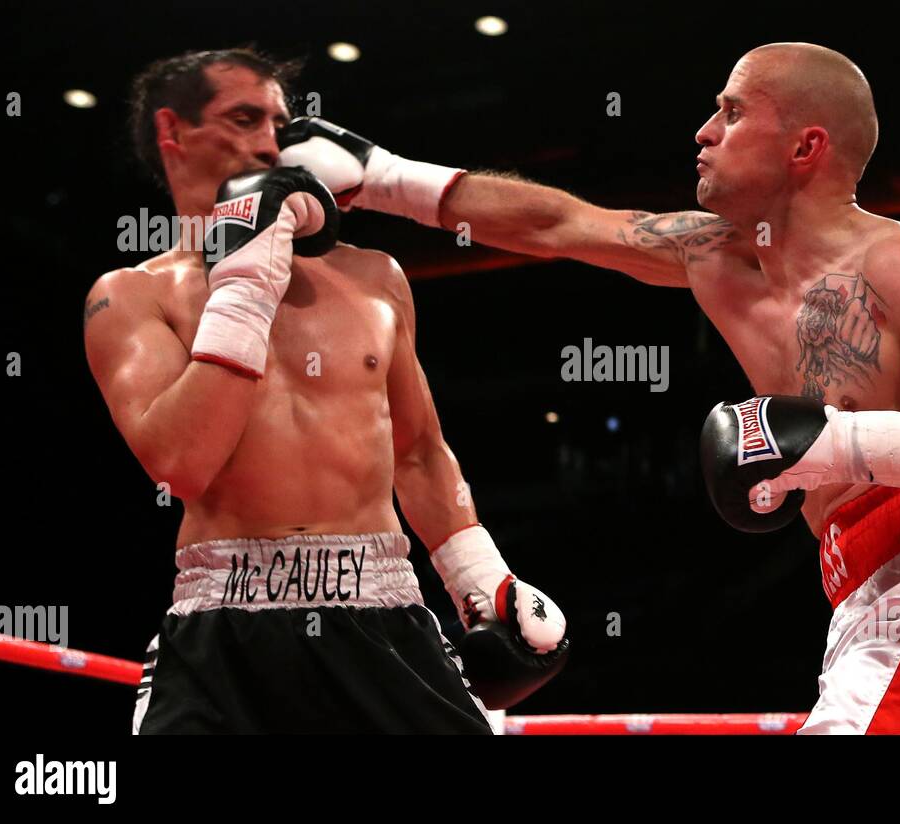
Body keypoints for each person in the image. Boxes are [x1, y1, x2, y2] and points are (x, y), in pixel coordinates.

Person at [279, 41, 900, 734]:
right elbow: (559, 223)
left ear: (806, 146)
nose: (703, 131)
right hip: (867, 598)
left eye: (731, 112)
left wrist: (841, 443)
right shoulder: (713, 256)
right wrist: (381, 178)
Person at [83, 48, 565, 734]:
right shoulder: (130, 296)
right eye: (243, 117)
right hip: (227, 619)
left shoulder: (374, 276)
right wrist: (247, 280)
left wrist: (480, 579)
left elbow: (421, 453)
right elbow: (181, 461)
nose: (268, 141)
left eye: (278, 121)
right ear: (174, 132)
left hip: (381, 610)